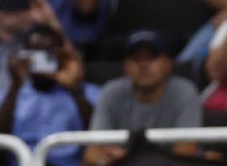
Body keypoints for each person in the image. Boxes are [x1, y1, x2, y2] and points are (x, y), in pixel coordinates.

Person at [84, 30, 202, 166]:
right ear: (125, 66)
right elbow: (92, 155)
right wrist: (104, 158)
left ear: (168, 63)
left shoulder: (185, 92)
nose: (143, 65)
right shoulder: (111, 92)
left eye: (152, 57)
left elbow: (186, 153)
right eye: (136, 58)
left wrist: (132, 159)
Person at [0, 24, 92, 166]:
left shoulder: (86, 93)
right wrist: (15, 86)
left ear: (63, 54)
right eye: (36, 53)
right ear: (24, 55)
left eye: (49, 54)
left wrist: (76, 89)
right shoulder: (8, 95)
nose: (42, 61)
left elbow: (100, 134)